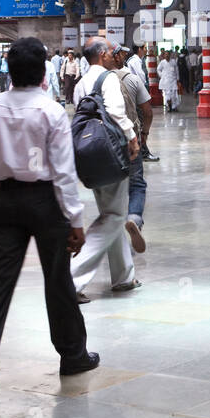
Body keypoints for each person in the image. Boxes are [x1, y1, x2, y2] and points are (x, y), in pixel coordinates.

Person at [0, 37, 97, 399]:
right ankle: (73, 355)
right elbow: (64, 173)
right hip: (45, 202)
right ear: (42, 74)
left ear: (8, 70)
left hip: (5, 200)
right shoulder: (50, 111)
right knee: (57, 280)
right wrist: (76, 220)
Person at [70, 37, 141, 303]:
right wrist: (132, 138)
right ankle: (72, 278)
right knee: (113, 216)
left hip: (88, 152)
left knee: (112, 210)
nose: (114, 55)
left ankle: (123, 276)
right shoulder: (108, 78)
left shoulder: (80, 84)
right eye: (111, 51)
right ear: (101, 54)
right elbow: (115, 112)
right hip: (110, 149)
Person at [114, 46, 151, 253]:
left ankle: (113, 226)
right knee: (136, 184)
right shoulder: (133, 79)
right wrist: (143, 135)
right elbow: (147, 111)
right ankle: (134, 217)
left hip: (106, 143)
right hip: (131, 139)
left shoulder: (96, 81)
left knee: (113, 187)